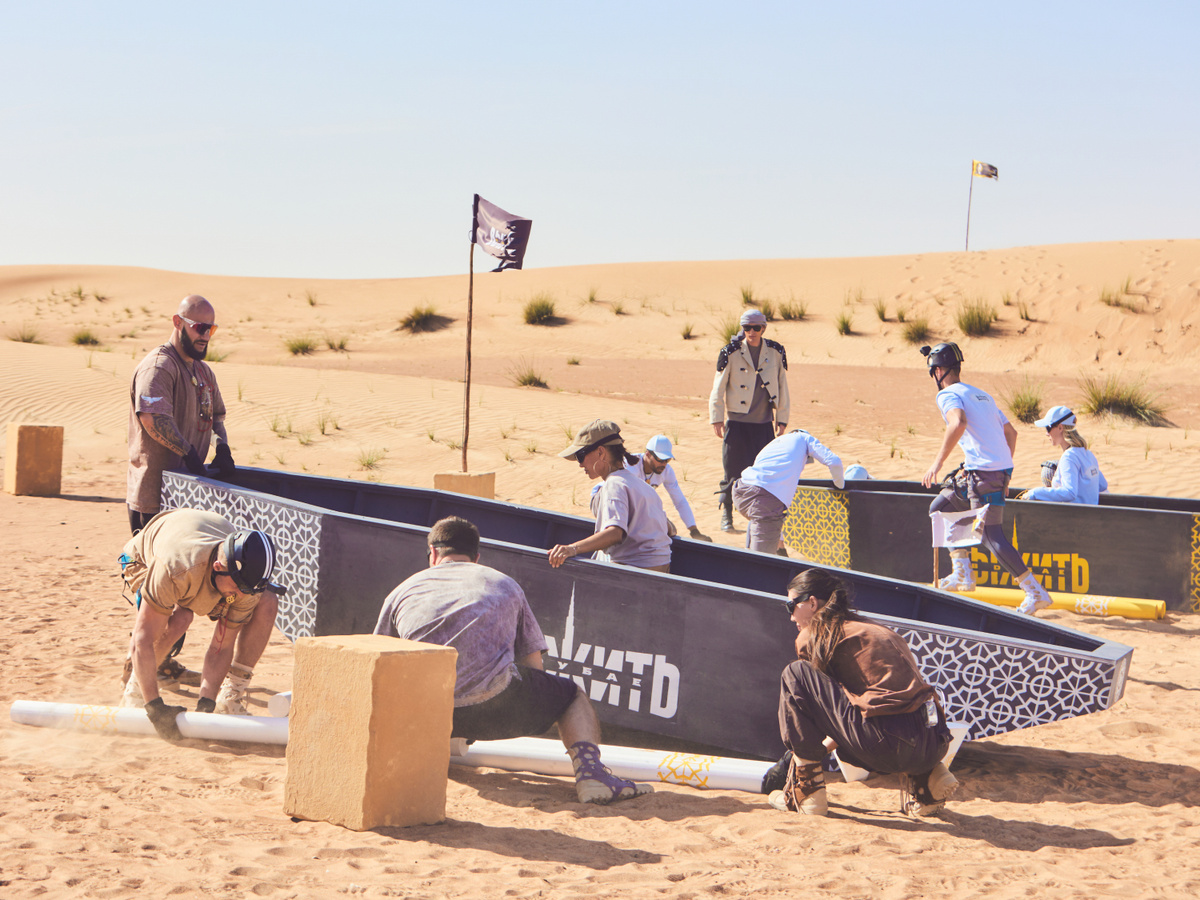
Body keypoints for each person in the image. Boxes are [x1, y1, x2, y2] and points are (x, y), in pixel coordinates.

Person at [374, 516, 653, 806]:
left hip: (427, 717)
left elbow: (379, 663)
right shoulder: (504, 584)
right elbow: (534, 669)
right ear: (476, 557)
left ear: (432, 553)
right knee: (571, 695)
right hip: (495, 705)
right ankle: (592, 774)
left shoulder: (402, 591)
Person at [770, 568, 958, 818]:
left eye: (790, 605)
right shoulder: (875, 629)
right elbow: (857, 711)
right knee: (899, 712)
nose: (791, 616)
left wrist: (804, 758)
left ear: (812, 603)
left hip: (886, 745)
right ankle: (929, 780)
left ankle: (808, 793)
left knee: (796, 673)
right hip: (934, 742)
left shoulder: (815, 635)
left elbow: (831, 713)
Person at [126, 295, 239, 684]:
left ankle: (165, 659)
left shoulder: (204, 372)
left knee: (188, 586)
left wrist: (221, 446)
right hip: (154, 497)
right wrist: (188, 452)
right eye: (199, 327)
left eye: (212, 328)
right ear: (178, 322)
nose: (206, 335)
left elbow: (218, 415)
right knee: (157, 589)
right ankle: (139, 664)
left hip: (189, 500)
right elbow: (153, 418)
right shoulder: (159, 367)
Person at [117, 509, 285, 740]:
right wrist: (155, 707)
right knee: (180, 619)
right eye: (238, 589)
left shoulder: (245, 587)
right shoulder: (175, 567)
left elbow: (221, 646)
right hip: (142, 560)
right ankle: (134, 692)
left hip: (200, 567)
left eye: (247, 591)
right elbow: (142, 638)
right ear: (219, 568)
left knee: (267, 601)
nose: (241, 596)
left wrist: (206, 704)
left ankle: (229, 698)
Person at [919, 343, 1053, 616]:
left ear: (939, 371)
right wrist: (1001, 466)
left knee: (992, 536)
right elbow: (1011, 434)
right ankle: (962, 574)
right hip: (990, 473)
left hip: (983, 475)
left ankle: (1034, 592)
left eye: (933, 371)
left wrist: (937, 463)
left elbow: (958, 423)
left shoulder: (947, 395)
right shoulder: (982, 395)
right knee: (940, 508)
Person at [550, 420, 672, 572]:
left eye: (580, 456)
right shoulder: (641, 485)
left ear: (600, 452)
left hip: (637, 574)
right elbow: (669, 529)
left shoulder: (614, 484)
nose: (580, 464)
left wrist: (571, 549)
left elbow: (614, 533)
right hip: (662, 570)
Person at [710, 309, 790, 532]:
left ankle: (759, 514)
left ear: (763, 328)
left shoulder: (776, 351)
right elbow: (718, 388)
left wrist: (782, 417)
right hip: (736, 423)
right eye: (747, 328)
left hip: (764, 424)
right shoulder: (730, 352)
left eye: (756, 328)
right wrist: (716, 418)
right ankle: (727, 512)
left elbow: (783, 386)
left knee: (763, 472)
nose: (751, 332)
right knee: (732, 471)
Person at [734, 429, 844, 555]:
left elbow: (758, 500)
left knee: (757, 519)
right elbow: (834, 462)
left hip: (740, 491)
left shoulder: (776, 443)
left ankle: (764, 550)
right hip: (763, 501)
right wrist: (840, 486)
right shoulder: (805, 438)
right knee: (762, 562)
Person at [623, 435, 711, 541]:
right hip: (622, 507)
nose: (664, 464)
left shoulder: (666, 471)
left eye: (667, 459)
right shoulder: (631, 466)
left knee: (670, 530)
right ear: (648, 454)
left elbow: (679, 501)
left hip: (641, 510)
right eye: (660, 459)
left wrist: (694, 531)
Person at [1017, 406, 1108, 504]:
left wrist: (1035, 492)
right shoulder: (1088, 454)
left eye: (1048, 428)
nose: (1047, 434)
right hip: (1091, 515)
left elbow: (1069, 492)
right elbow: (1102, 485)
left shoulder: (1069, 457)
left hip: (1074, 516)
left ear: (1060, 427)